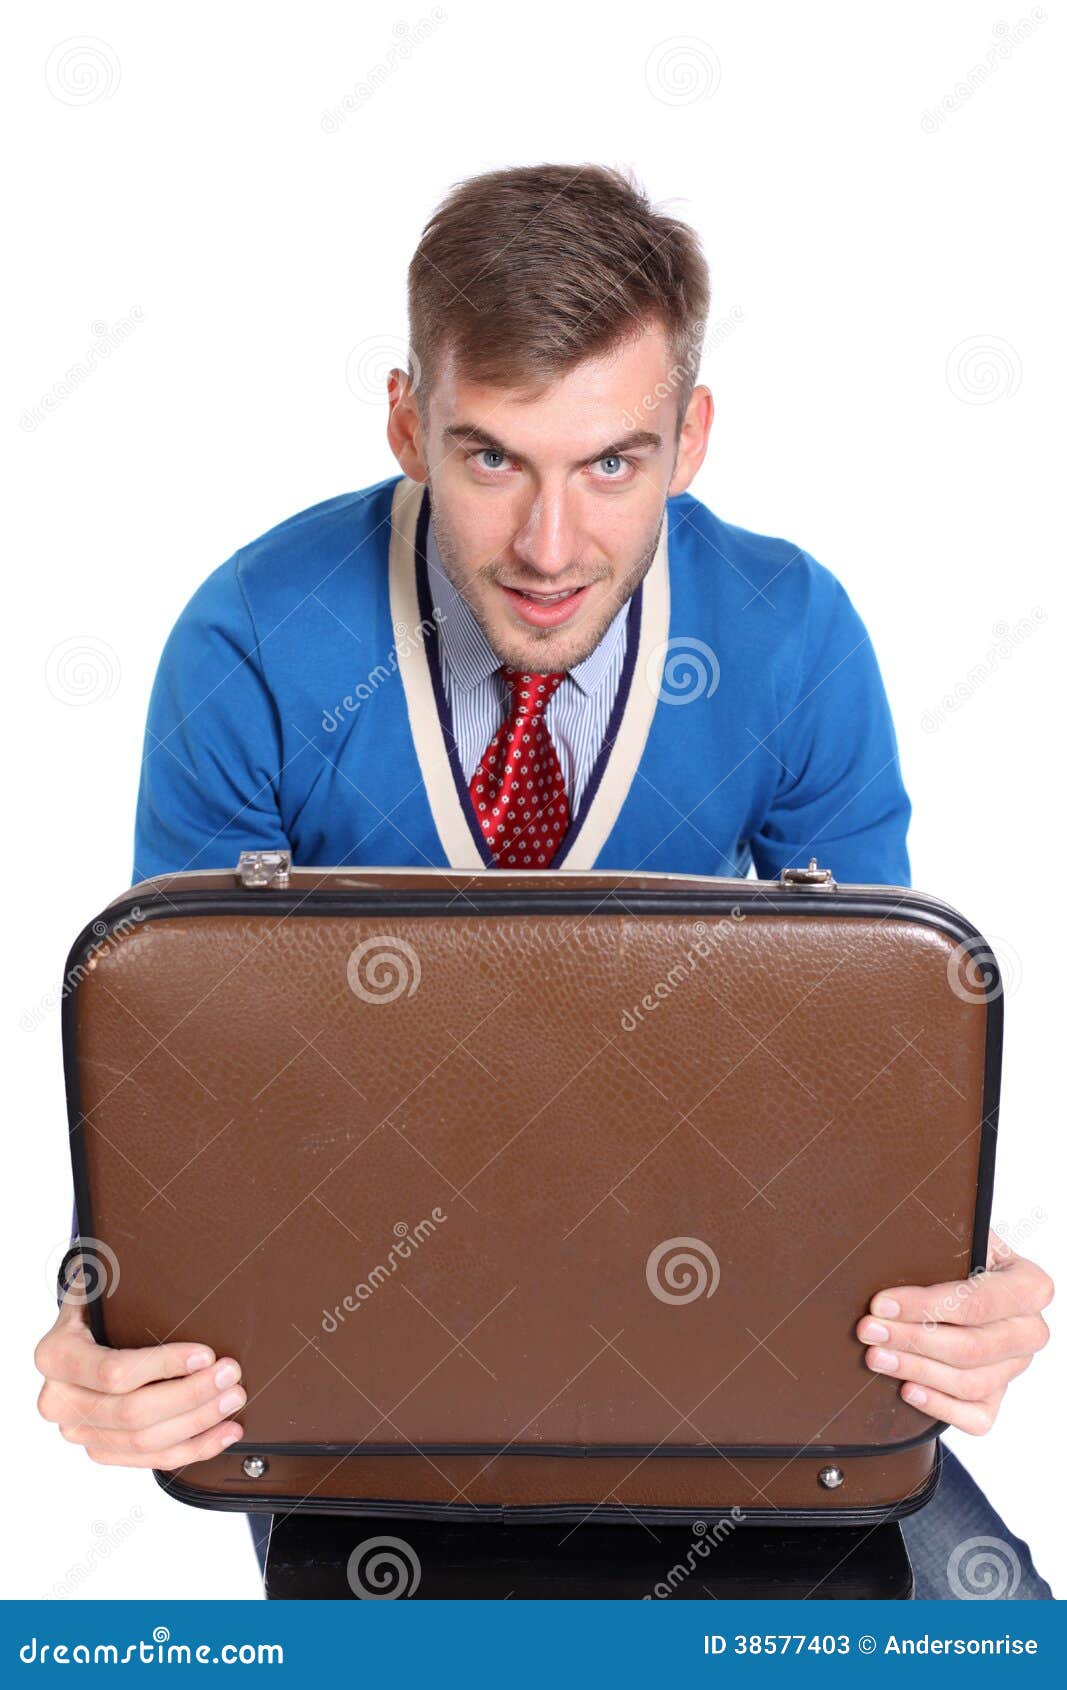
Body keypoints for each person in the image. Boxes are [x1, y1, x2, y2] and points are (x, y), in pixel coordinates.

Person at [35, 164, 1053, 1598]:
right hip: (376, 1366)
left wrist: (960, 1276)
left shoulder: (794, 634)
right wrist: (103, 1309)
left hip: (721, 1338)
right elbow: (182, 1100)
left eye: (612, 462)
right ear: (408, 425)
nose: (552, 547)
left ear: (691, 437)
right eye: (495, 457)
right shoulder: (253, 640)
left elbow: (866, 1068)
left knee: (989, 1632)